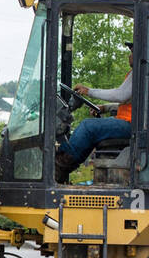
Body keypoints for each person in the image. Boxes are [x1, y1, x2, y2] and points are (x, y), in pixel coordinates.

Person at [54, 41, 135, 183]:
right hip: (129, 121)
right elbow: (128, 101)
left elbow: (120, 95)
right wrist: (106, 107)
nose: (130, 56)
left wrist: (88, 91)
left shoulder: (138, 72)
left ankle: (58, 166)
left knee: (88, 127)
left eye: (132, 52)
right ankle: (64, 169)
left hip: (131, 124)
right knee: (91, 129)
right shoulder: (139, 74)